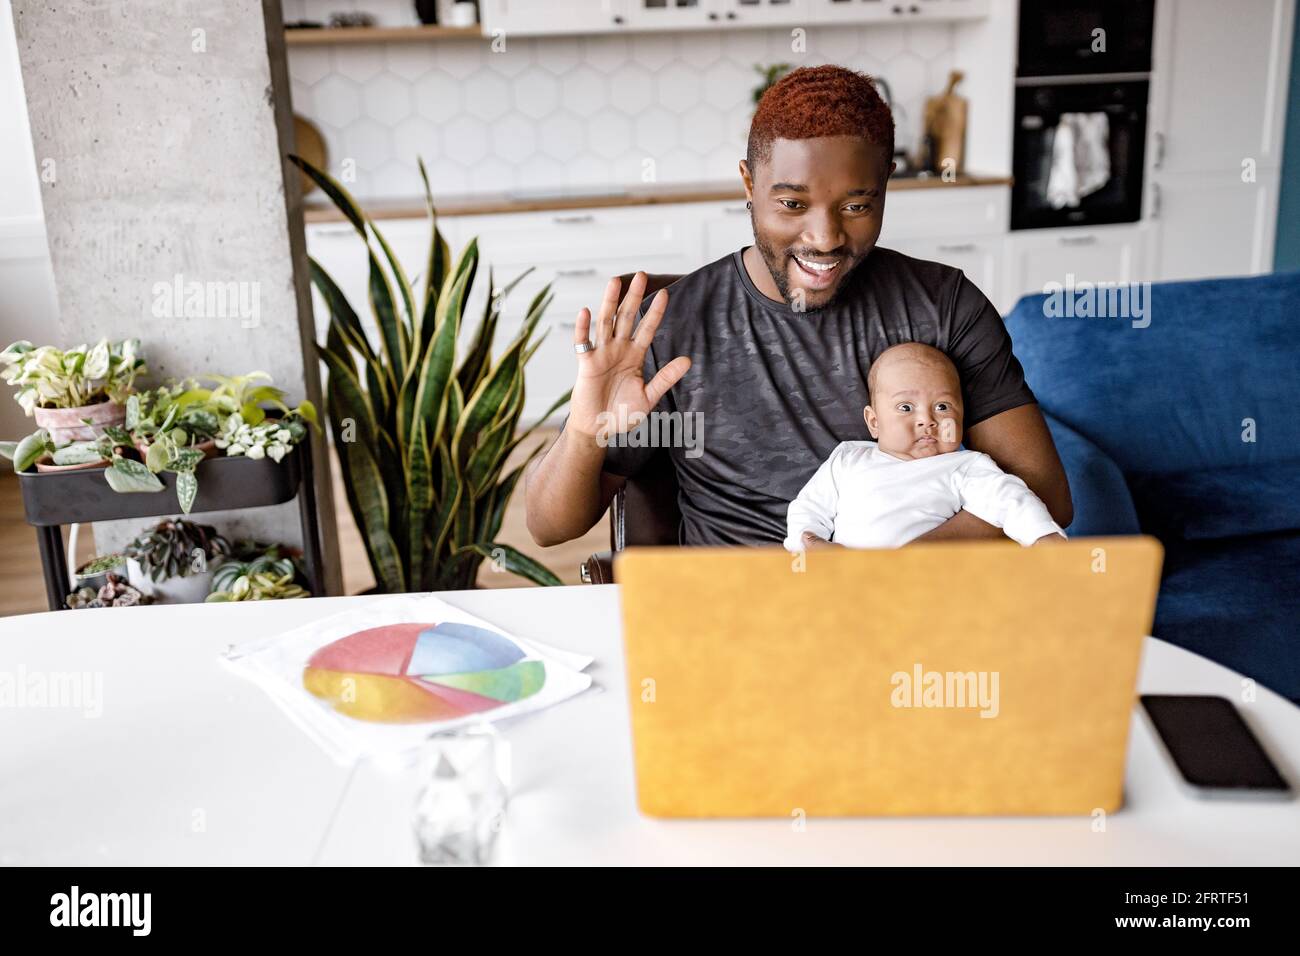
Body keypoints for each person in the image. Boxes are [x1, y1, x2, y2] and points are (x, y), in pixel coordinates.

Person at [525, 64, 1071, 549]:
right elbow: (551, 528)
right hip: (736, 617)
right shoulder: (671, 326)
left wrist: (875, 573)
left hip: (909, 606)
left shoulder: (945, 305)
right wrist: (584, 430)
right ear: (749, 182)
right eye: (792, 204)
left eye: (857, 205)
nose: (825, 237)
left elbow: (1044, 496)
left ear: (885, 190)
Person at [784, 343, 1066, 551]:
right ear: (874, 422)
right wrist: (808, 542)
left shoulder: (966, 466)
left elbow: (1010, 500)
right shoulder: (849, 459)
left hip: (929, 582)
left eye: (942, 407)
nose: (927, 420)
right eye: (906, 407)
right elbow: (809, 507)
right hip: (847, 577)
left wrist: (1043, 537)